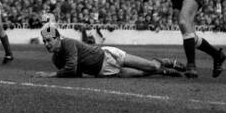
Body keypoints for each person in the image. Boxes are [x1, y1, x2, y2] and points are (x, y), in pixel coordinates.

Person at [36, 22, 183, 78]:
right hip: (103, 71)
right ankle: (166, 71)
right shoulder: (55, 59)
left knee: (149, 66)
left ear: (57, 38)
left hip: (109, 56)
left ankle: (165, 61)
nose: (47, 44)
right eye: (44, 41)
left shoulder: (67, 43)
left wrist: (52, 75)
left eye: (49, 40)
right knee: (141, 73)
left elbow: (70, 67)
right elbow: (75, 73)